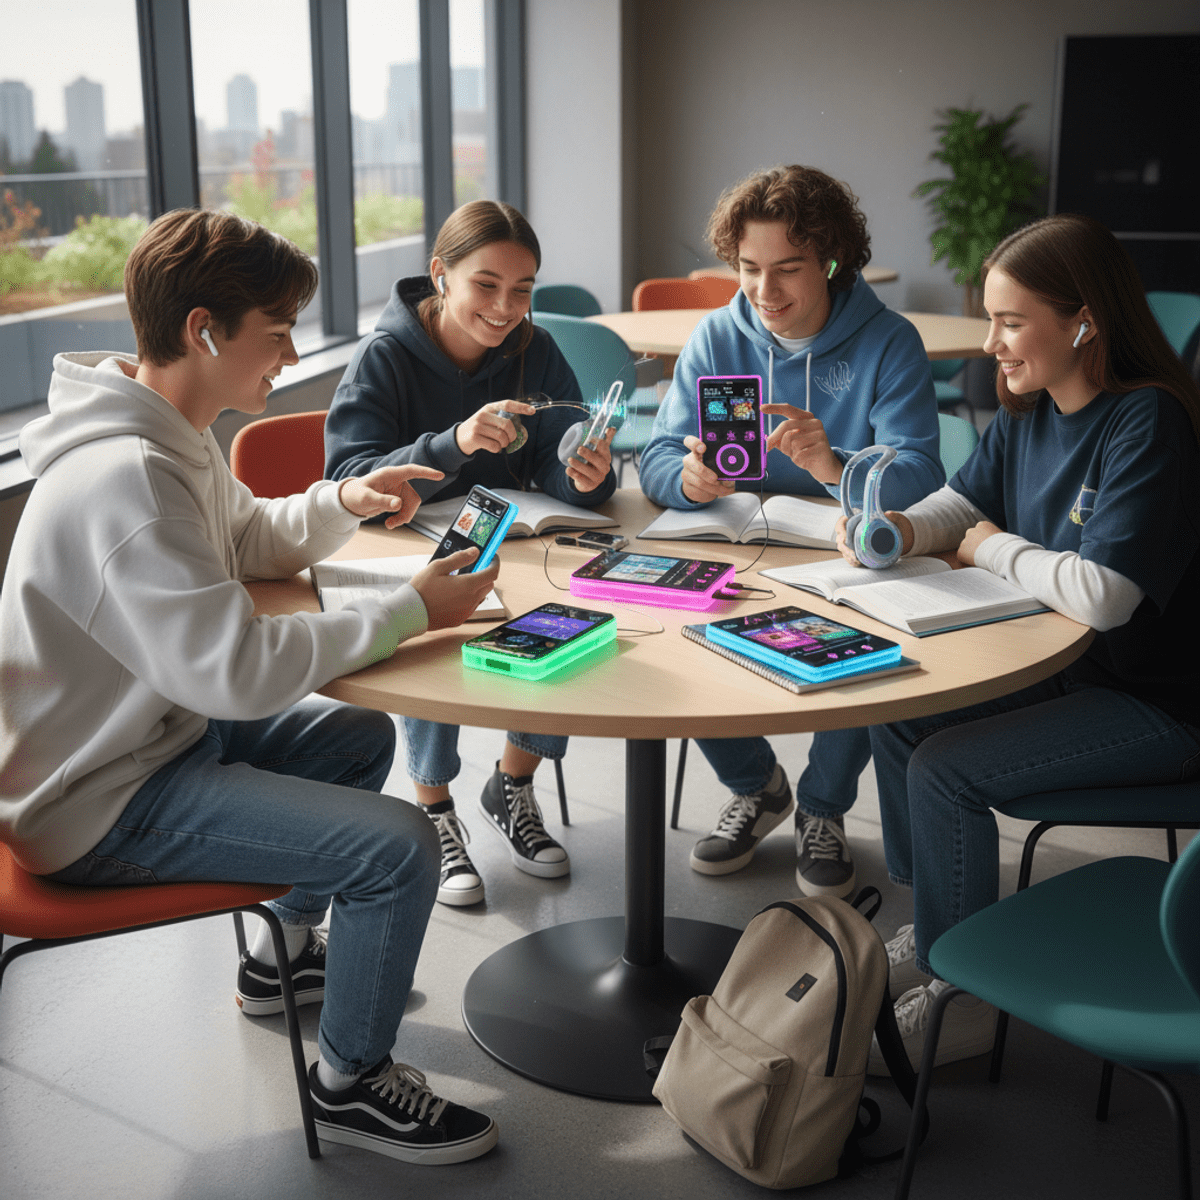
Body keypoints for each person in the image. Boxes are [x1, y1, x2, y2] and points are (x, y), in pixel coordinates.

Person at [0, 209, 503, 1164]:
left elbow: (247, 537)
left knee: (358, 738)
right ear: (204, 330)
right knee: (400, 847)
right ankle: (352, 1084)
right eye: (276, 335)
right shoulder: (128, 480)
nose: (290, 356)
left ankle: (282, 959)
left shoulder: (164, 430)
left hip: (147, 743)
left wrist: (344, 500)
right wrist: (409, 610)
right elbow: (233, 670)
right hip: (99, 803)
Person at [860, 212, 1200, 1072]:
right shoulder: (1031, 412)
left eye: (1010, 322)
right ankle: (939, 926)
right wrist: (898, 528)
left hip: (1162, 707)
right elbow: (962, 504)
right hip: (1079, 674)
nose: (990, 344)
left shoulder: (1148, 422)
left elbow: (1105, 594)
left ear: (1084, 322)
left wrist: (988, 549)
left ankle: (962, 1003)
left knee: (946, 769)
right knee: (896, 704)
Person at [638, 165, 943, 895]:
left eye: (788, 269)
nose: (764, 291)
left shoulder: (888, 341)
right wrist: (686, 479)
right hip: (737, 544)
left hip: (844, 553)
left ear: (831, 261)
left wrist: (835, 466)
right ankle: (757, 785)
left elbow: (922, 473)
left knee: (874, 647)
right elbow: (656, 456)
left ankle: (821, 805)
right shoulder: (718, 335)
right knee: (665, 623)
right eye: (749, 268)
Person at [325, 199, 617, 907]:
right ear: (440, 274)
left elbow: (558, 461)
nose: (506, 308)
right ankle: (434, 807)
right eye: (486, 284)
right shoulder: (384, 357)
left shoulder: (535, 349)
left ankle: (512, 783)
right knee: (433, 624)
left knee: (566, 617)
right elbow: (348, 479)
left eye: (522, 289)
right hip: (409, 549)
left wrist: (585, 475)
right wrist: (453, 443)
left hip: (517, 545)